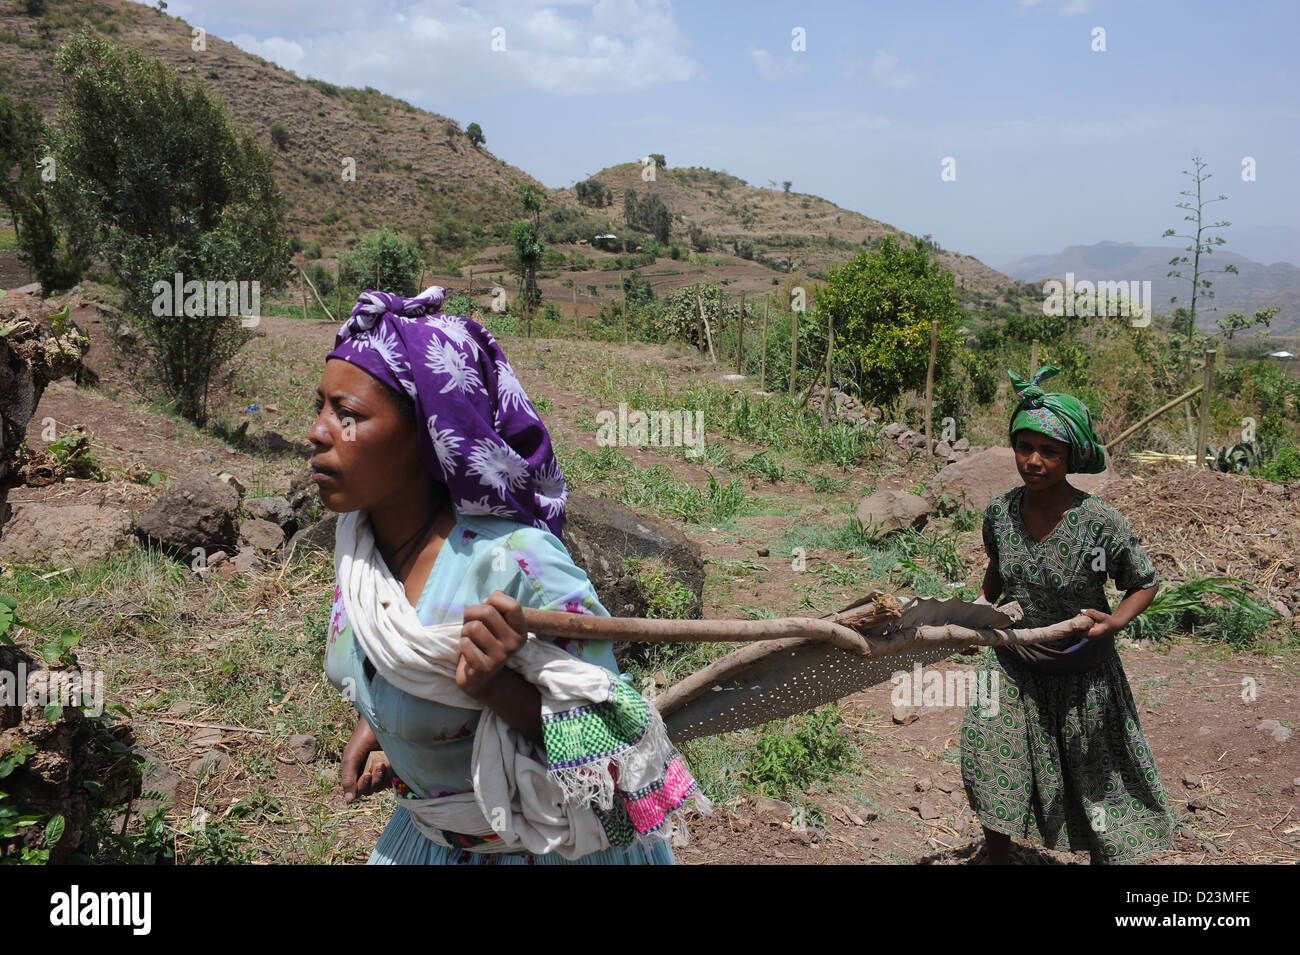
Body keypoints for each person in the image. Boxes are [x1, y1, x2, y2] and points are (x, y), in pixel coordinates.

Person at [311, 286, 700, 864]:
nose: (319, 432)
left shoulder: (517, 564)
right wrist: (387, 723)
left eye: (349, 415)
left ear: (426, 435)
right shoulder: (361, 550)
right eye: (319, 406)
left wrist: (498, 690)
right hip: (434, 837)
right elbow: (402, 661)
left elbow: (622, 761)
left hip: (544, 847)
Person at [959, 365, 1177, 865]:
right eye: (1024, 447)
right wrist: (977, 617)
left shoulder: (1098, 523)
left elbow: (1142, 581)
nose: (1033, 461)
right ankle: (997, 856)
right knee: (989, 757)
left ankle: (1110, 857)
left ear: (1071, 456)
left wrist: (1115, 621)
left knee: (1095, 777)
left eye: (1049, 451)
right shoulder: (1000, 512)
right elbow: (998, 575)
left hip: (1082, 670)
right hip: (1012, 659)